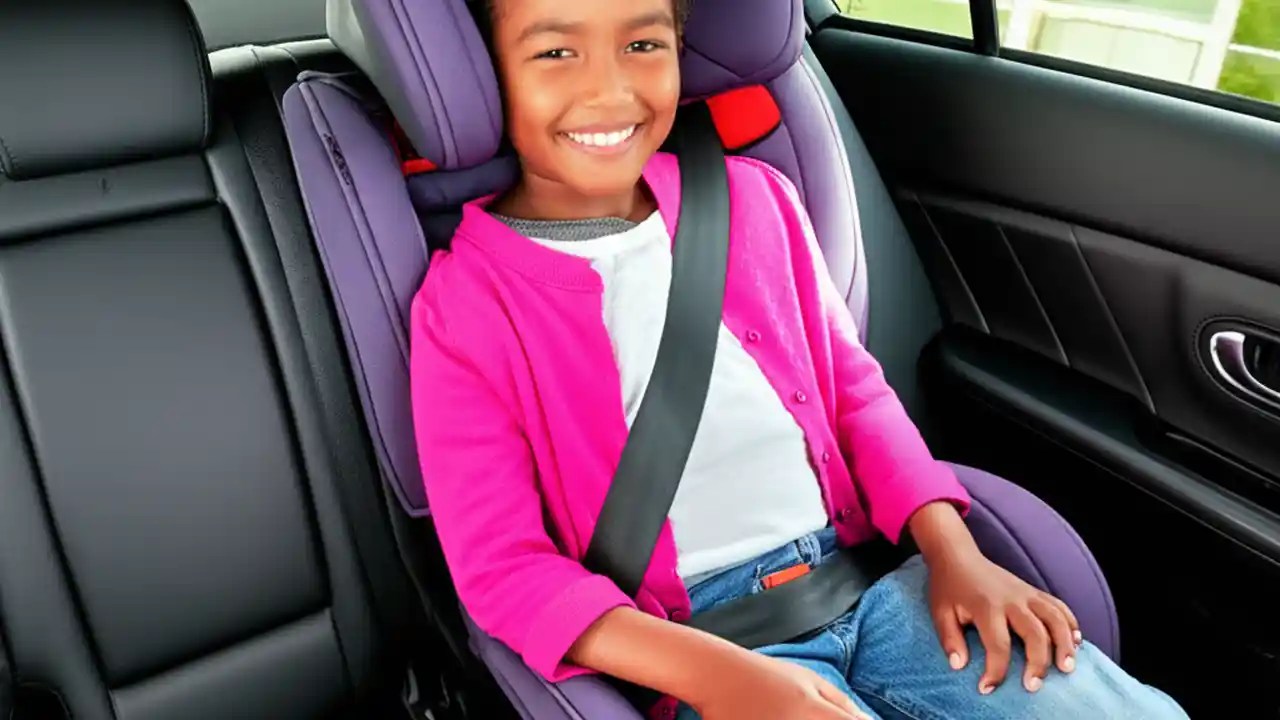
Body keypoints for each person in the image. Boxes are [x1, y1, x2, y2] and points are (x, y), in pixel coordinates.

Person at [409, 0, 1189, 717]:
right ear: (487, 76)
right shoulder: (466, 306)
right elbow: (505, 569)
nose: (610, 89)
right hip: (695, 645)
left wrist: (953, 551)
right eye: (554, 53)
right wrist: (718, 676)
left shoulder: (755, 202)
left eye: (643, 43)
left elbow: (858, 397)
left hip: (878, 589)